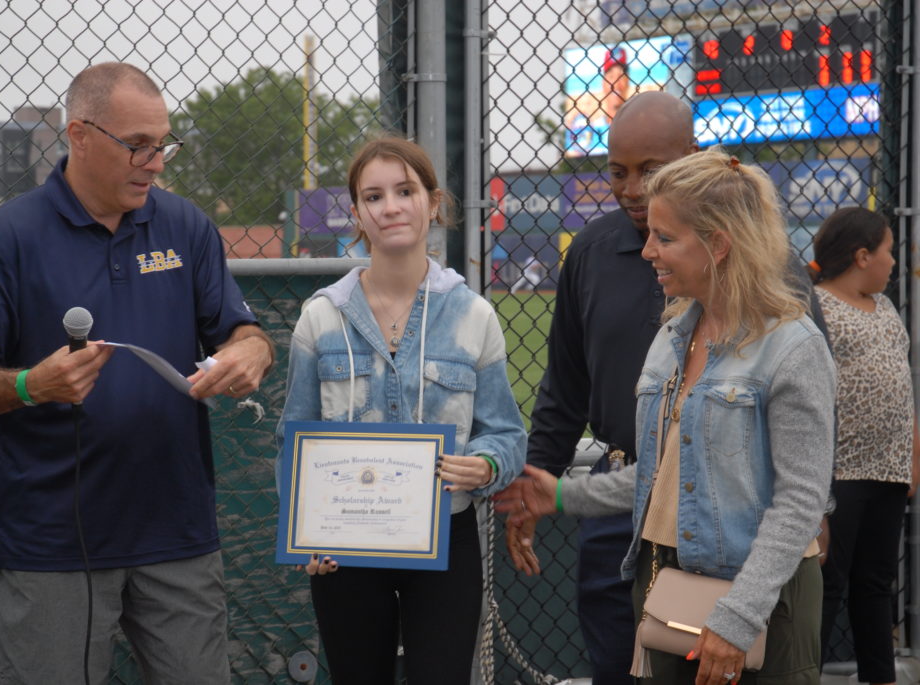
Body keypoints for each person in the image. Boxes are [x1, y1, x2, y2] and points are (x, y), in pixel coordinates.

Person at [0, 62, 274, 684]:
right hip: (51, 545)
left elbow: (240, 331)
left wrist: (252, 351)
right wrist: (28, 385)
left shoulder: (186, 227)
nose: (156, 161)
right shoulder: (10, 237)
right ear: (80, 135)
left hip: (177, 534)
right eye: (138, 145)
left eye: (163, 143)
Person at [497, 148, 836, 684]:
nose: (648, 250)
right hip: (667, 586)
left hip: (759, 606)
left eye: (666, 238)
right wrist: (562, 495)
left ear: (719, 244)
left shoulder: (792, 348)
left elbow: (799, 503)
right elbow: (665, 475)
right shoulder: (673, 337)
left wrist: (736, 618)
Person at [276, 136, 527, 684]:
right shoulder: (321, 318)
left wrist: (484, 464)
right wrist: (305, 530)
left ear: (432, 203)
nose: (390, 206)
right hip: (344, 549)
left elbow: (505, 432)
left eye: (404, 191)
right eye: (373, 196)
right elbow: (293, 435)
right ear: (359, 214)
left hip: (445, 540)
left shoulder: (473, 316)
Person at [511, 91, 697, 685]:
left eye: (652, 169)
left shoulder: (752, 255)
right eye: (619, 171)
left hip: (713, 501)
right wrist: (533, 486)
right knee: (616, 665)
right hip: (617, 502)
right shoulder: (590, 252)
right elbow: (564, 392)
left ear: (694, 156)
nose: (633, 188)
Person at [810, 207, 919, 685]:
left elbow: (903, 384)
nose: (893, 262)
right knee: (828, 585)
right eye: (888, 251)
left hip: (889, 471)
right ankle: (801, 675)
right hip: (841, 472)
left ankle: (882, 677)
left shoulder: (887, 306)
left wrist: (912, 454)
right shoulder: (817, 309)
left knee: (875, 585)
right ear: (861, 256)